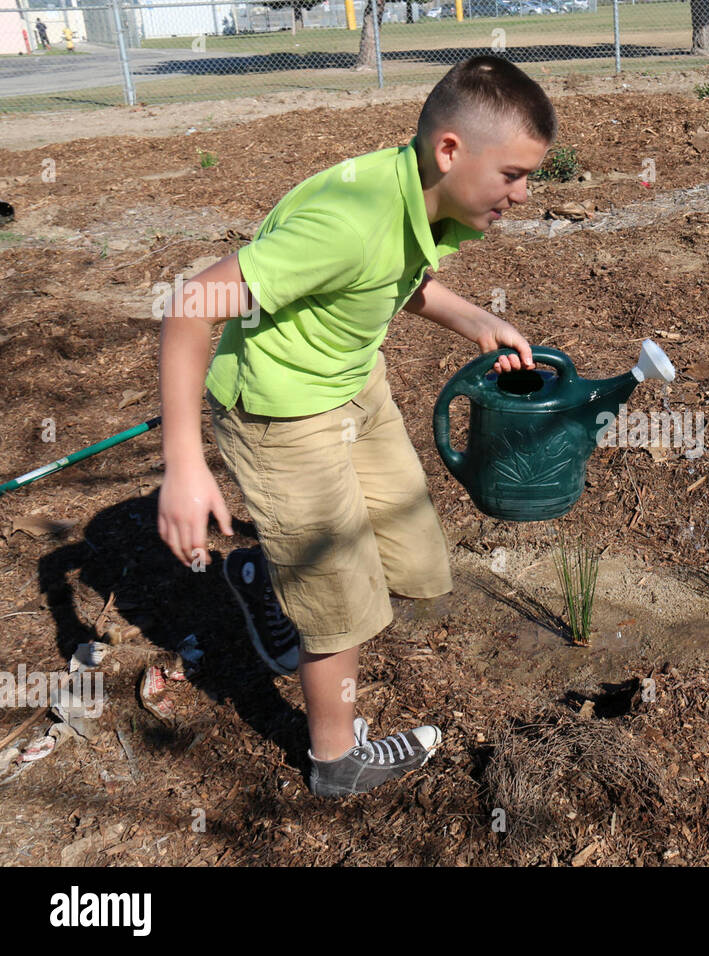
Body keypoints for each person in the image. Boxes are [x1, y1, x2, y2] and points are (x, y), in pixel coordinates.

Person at [156, 56, 554, 798]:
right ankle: (335, 762)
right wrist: (185, 461)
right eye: (513, 175)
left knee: (414, 563)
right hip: (283, 413)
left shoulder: (423, 196)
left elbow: (397, 275)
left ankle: (268, 581)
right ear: (450, 151)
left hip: (354, 385)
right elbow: (190, 304)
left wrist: (473, 318)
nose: (523, 195)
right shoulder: (350, 221)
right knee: (339, 610)